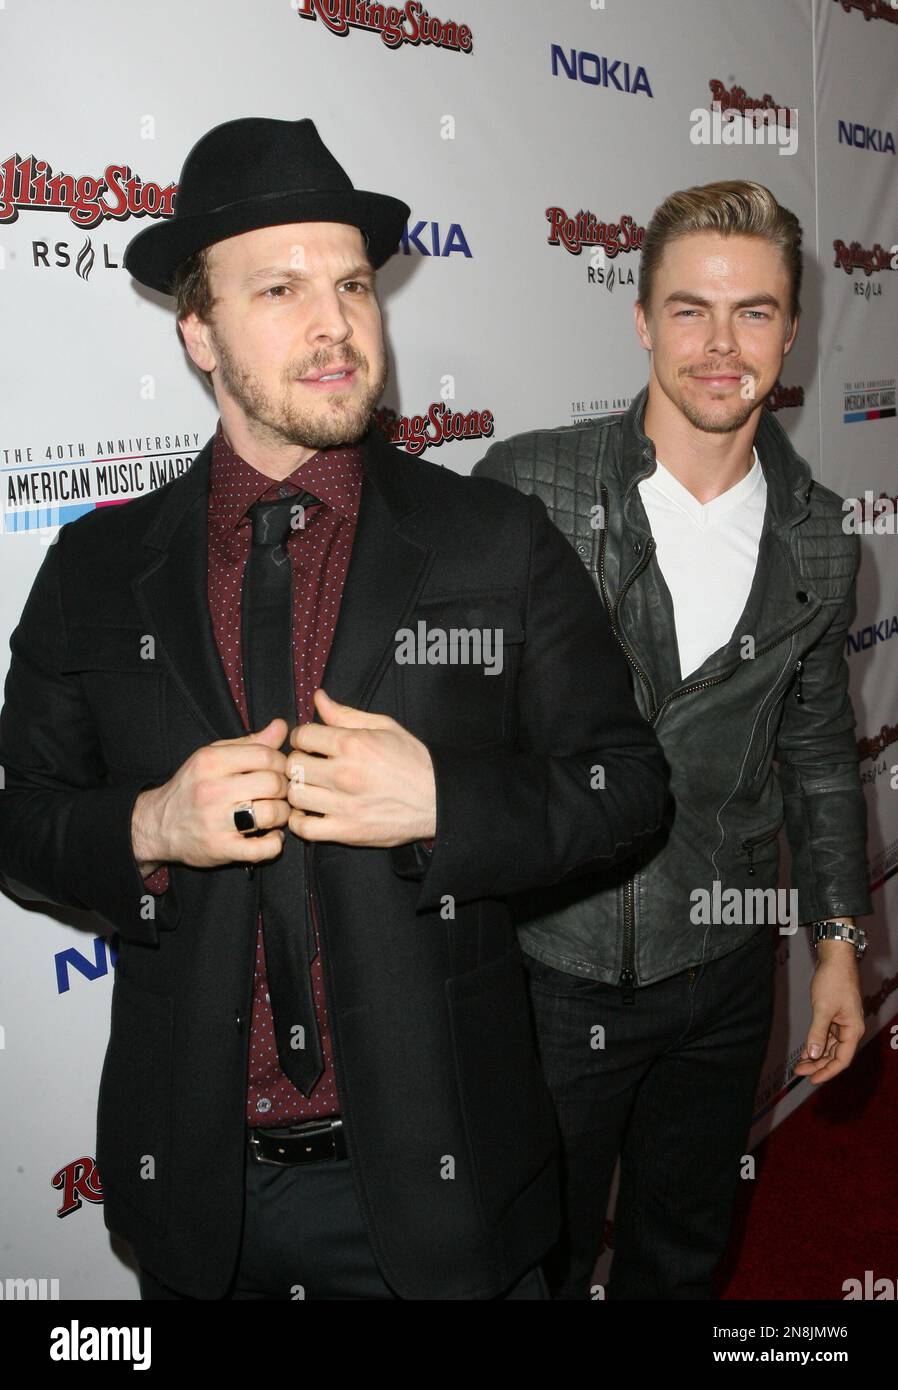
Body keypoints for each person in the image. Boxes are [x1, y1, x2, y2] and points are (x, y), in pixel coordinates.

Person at [0, 116, 668, 1300]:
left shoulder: (493, 541)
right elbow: (21, 818)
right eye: (281, 287)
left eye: (353, 282)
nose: (337, 322)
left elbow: (625, 786)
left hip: (448, 1193)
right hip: (204, 1203)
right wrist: (148, 826)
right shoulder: (92, 576)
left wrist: (444, 801)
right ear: (197, 330)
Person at [473, 180, 871, 1300]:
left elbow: (819, 755)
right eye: (688, 309)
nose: (719, 344)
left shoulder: (823, 536)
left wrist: (838, 939)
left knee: (681, 1256)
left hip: (726, 970)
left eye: (753, 312)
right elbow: (451, 737)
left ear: (790, 332)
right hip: (553, 964)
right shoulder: (530, 487)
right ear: (641, 319)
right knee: (526, 1260)